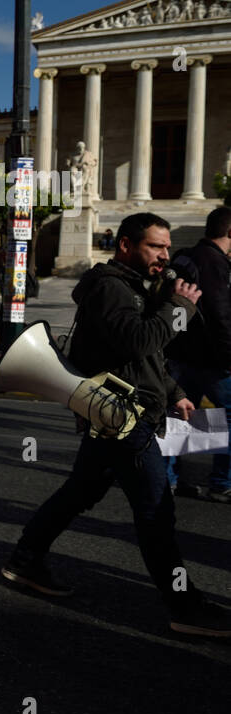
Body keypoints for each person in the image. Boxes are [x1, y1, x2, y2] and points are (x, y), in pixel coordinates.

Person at [1, 212, 229, 636]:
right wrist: (178, 306)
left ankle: (25, 560)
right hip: (124, 418)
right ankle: (184, 606)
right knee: (155, 512)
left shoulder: (134, 286)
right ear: (125, 245)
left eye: (165, 247)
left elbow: (145, 357)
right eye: (154, 247)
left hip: (118, 413)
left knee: (80, 491)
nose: (164, 255)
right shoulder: (111, 288)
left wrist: (174, 391)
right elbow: (138, 340)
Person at [165, 205, 231, 503]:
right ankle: (222, 482)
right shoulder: (215, 263)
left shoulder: (185, 255)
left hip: (179, 352)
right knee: (227, 415)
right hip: (212, 358)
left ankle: (168, 479)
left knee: (179, 416)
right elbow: (220, 314)